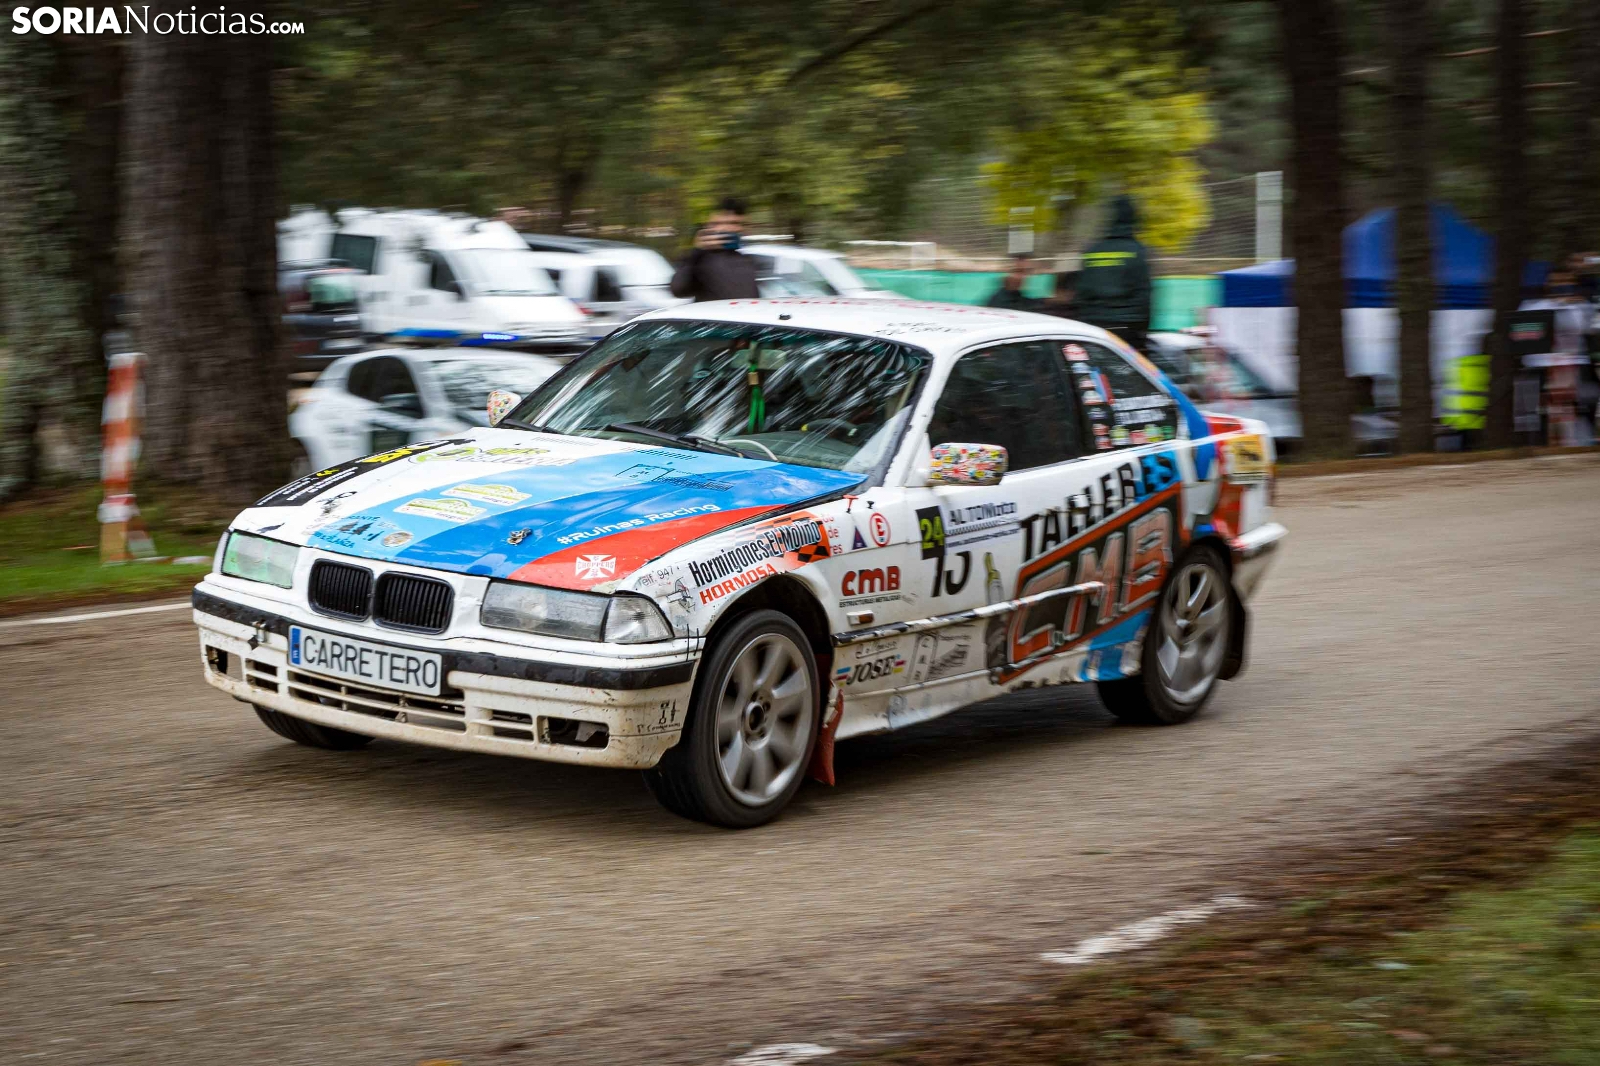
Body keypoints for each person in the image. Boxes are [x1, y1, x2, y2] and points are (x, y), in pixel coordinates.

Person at [1074, 194, 1152, 351]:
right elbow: (1144, 297)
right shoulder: (1137, 251)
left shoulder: (1092, 252)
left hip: (1095, 330)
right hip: (1128, 331)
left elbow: (1082, 294)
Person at [670, 197, 760, 302]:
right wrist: (697, 251)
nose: (733, 229)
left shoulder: (747, 260)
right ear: (710, 226)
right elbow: (678, 290)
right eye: (725, 223)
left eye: (738, 223)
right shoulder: (699, 259)